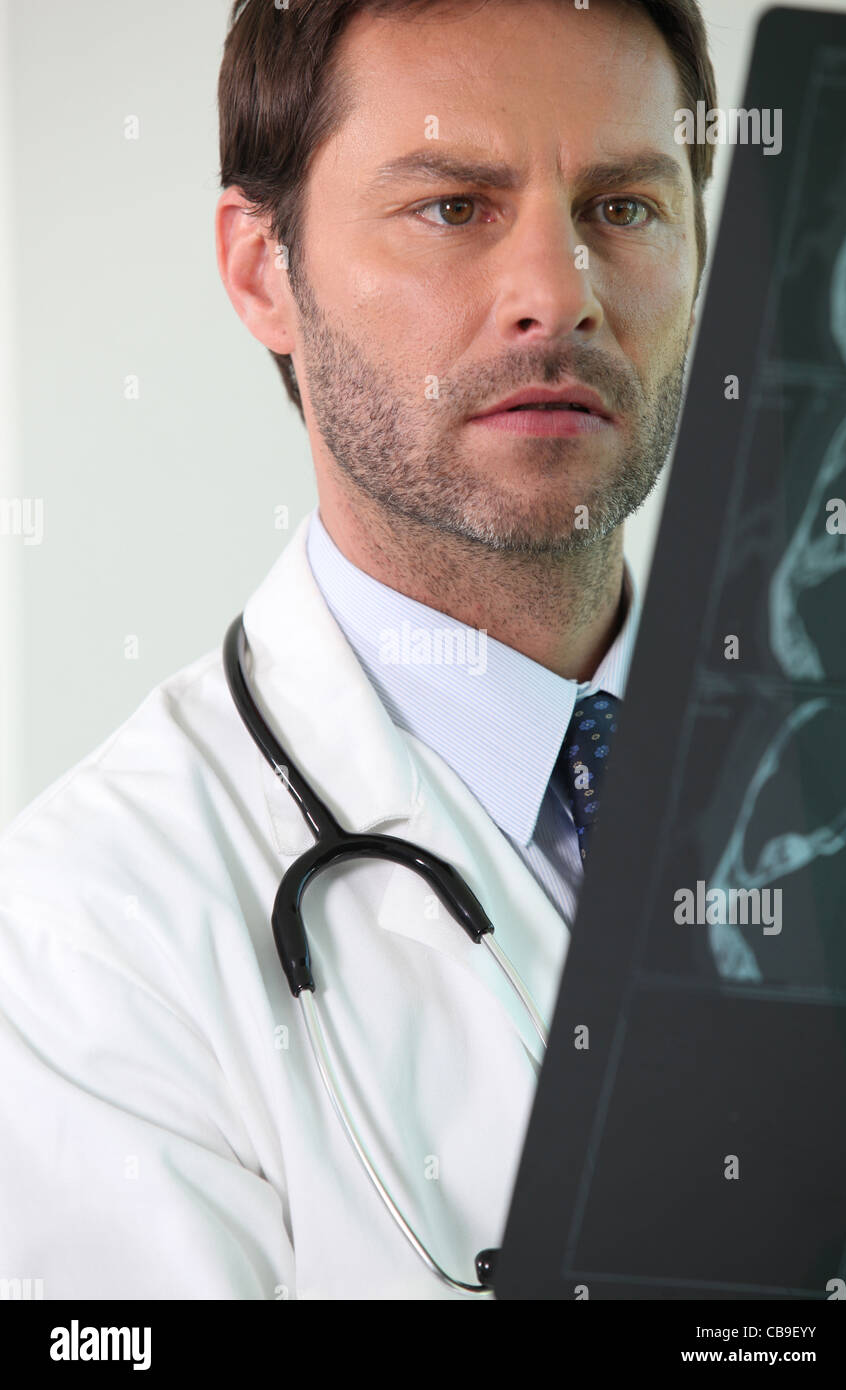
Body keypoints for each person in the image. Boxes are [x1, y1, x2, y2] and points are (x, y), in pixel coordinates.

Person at [0, 0, 717, 1300]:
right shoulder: (81, 944)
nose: (557, 293)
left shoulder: (813, 785)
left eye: (623, 207)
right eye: (453, 204)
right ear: (262, 270)